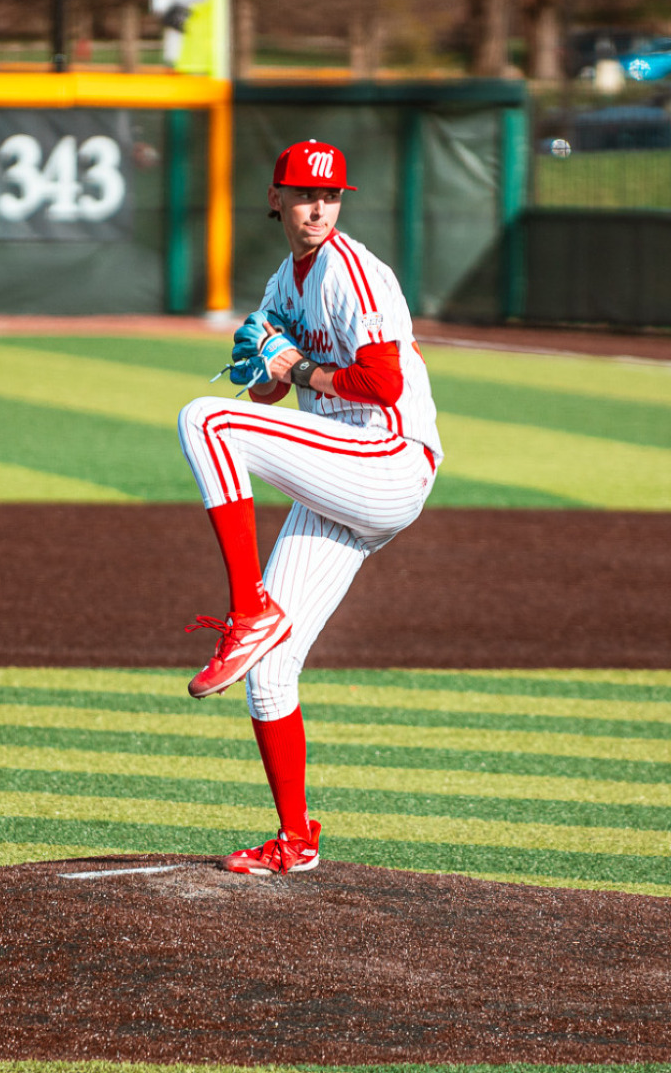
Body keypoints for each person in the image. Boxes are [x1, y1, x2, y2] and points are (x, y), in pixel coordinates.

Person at [176, 139, 443, 876]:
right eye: (302, 194)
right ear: (276, 199)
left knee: (206, 421)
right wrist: (264, 364)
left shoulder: (352, 271)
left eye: (329, 196)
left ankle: (246, 607)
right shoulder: (280, 285)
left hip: (388, 460)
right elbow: (264, 391)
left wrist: (301, 369)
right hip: (340, 475)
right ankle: (295, 839)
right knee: (270, 671)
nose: (318, 207)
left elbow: (384, 384)